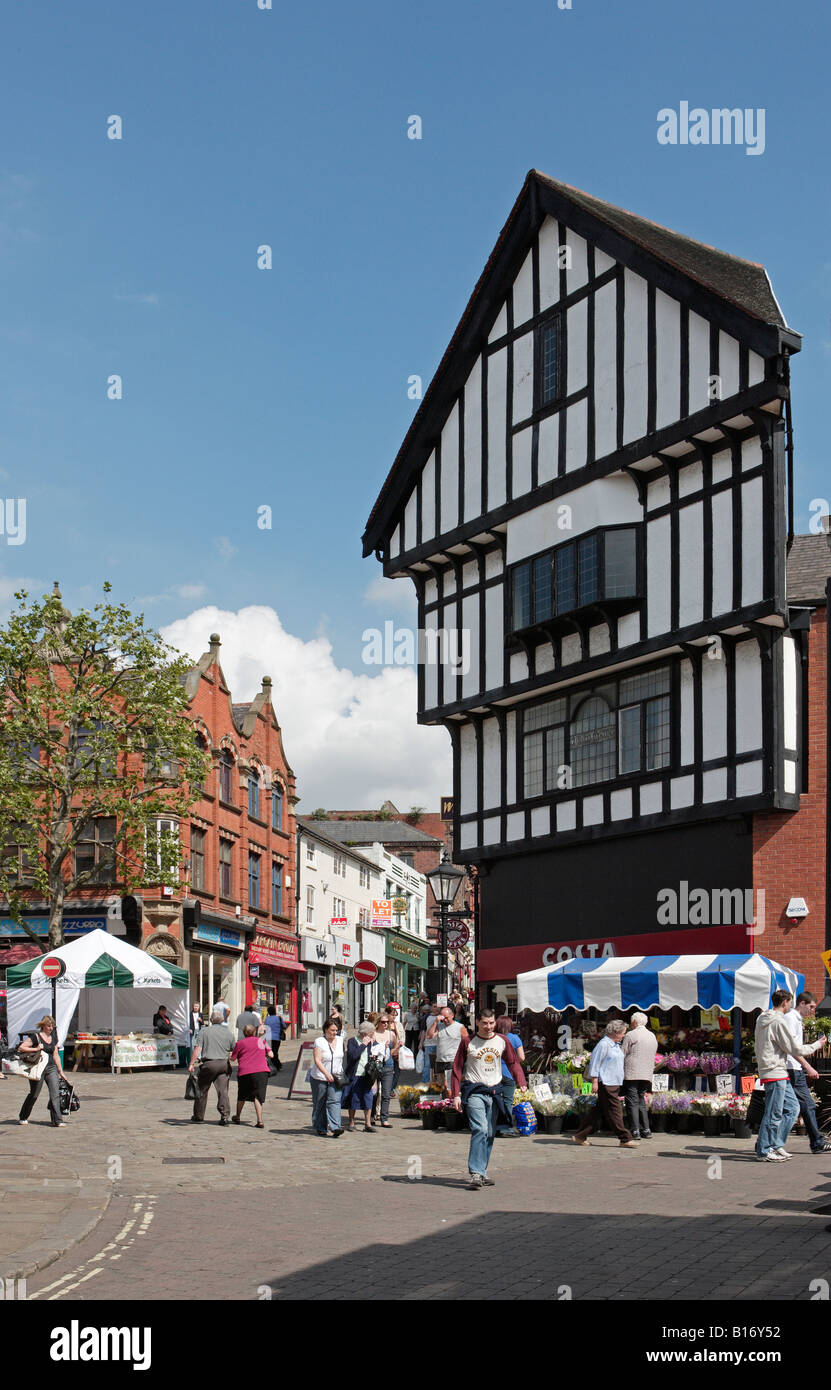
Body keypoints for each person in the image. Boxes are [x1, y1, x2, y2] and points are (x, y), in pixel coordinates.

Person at [450, 1008, 525, 1189]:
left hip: (495, 1093)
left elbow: (513, 1062)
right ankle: (475, 1172)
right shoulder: (468, 1042)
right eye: (485, 1023)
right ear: (477, 1023)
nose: (488, 1027)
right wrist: (455, 1095)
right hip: (474, 1091)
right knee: (480, 1129)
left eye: (491, 1023)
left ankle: (482, 1172)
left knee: (490, 1133)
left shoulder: (502, 1040)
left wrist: (521, 1081)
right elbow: (457, 1068)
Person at [755, 989, 819, 1162]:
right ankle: (764, 1149)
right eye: (790, 1002)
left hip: (776, 1070)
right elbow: (794, 1048)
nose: (791, 1006)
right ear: (785, 1002)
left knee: (792, 1108)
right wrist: (816, 1045)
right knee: (774, 1113)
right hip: (775, 1070)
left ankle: (775, 1144)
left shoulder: (762, 1018)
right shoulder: (778, 1022)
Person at [572, 1021, 638, 1148]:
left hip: (614, 1081)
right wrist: (595, 1081)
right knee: (615, 1111)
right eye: (623, 1033)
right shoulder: (603, 1045)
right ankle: (625, 1138)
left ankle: (580, 1135)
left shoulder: (615, 1045)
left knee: (598, 1110)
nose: (624, 1035)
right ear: (615, 1032)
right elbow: (595, 1063)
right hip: (607, 1082)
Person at [782, 993, 831, 1154]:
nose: (811, 1011)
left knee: (789, 1108)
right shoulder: (791, 1019)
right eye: (810, 1007)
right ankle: (817, 1142)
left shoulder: (795, 1019)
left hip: (793, 1068)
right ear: (802, 1003)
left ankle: (767, 1141)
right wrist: (808, 1066)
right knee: (804, 1106)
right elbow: (792, 1048)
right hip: (793, 1068)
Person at [17, 1016, 68, 1128]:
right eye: (49, 1026)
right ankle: (23, 1116)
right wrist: (36, 1048)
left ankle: (57, 1120)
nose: (51, 1028)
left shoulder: (53, 1037)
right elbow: (22, 1048)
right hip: (38, 1068)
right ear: (43, 1026)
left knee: (55, 1094)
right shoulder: (36, 1037)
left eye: (52, 1026)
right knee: (34, 1094)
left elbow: (55, 1054)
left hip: (51, 1068)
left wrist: (61, 1071)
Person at [189, 1009, 235, 1124]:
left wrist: (191, 1063)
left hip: (209, 1064)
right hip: (223, 1064)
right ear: (222, 1020)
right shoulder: (228, 1033)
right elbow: (234, 1050)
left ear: (210, 1020)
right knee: (223, 1091)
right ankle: (225, 1116)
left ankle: (199, 1115)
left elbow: (197, 1048)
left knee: (202, 1089)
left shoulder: (204, 1031)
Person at [621, 1012, 658, 1140]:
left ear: (635, 1022)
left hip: (632, 1072)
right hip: (646, 1073)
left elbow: (622, 1053)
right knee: (641, 1100)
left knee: (632, 1101)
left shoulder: (631, 1035)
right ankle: (646, 1129)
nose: (631, 1024)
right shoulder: (652, 1035)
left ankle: (635, 1130)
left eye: (632, 1022)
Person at [230, 1024, 273, 1128]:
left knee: (242, 1095)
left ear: (244, 1033)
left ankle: (238, 1116)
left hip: (245, 1072)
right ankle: (260, 1120)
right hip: (261, 1072)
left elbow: (233, 1058)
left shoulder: (240, 1043)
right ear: (254, 1032)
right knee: (258, 1096)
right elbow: (271, 1055)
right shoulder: (261, 1041)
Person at [309, 1019, 345, 1138]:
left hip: (336, 1077)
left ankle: (335, 1127)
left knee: (335, 1101)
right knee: (320, 1102)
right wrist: (326, 1073)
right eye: (332, 1030)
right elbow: (317, 1060)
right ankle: (320, 1127)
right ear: (325, 1030)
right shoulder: (319, 1041)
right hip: (320, 1077)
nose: (334, 1033)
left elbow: (340, 1058)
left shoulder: (340, 1040)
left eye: (336, 1030)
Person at [341, 1021, 377, 1132]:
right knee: (354, 1098)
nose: (373, 1035)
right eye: (371, 1033)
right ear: (365, 1033)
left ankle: (368, 1123)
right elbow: (353, 1056)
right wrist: (363, 1045)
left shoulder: (371, 1042)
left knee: (368, 1098)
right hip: (354, 1074)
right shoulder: (352, 1041)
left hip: (367, 1075)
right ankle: (351, 1122)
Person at [494, 1015, 524, 1135]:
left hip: (493, 1073)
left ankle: (493, 1125)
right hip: (509, 1073)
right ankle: (505, 1127)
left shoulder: (493, 1037)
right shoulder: (515, 1038)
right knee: (507, 1101)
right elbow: (522, 1057)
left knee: (494, 1100)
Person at [430, 1006, 469, 1093]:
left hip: (452, 1060)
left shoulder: (459, 1027)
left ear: (452, 1015)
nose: (445, 1020)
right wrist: (435, 1022)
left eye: (447, 1018)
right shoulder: (439, 1026)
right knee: (439, 1087)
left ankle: (451, 1104)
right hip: (440, 1060)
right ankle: (441, 1104)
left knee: (450, 1087)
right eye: (443, 1018)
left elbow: (467, 1042)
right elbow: (429, 1036)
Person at [371, 1015, 399, 1128]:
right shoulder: (373, 1034)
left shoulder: (391, 1034)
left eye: (387, 1022)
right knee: (374, 1093)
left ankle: (384, 1118)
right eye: (383, 1022)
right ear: (378, 1022)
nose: (385, 1024)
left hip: (388, 1065)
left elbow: (394, 1048)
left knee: (386, 1093)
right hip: (375, 1066)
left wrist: (395, 1049)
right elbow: (370, 1050)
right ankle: (372, 1116)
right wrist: (381, 1047)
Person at [265, 1005, 286, 1071]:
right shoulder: (279, 1018)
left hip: (268, 1038)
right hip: (276, 1038)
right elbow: (284, 1026)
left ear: (268, 1012)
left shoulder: (267, 1019)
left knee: (269, 1052)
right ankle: (277, 1065)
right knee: (275, 1051)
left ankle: (275, 1065)